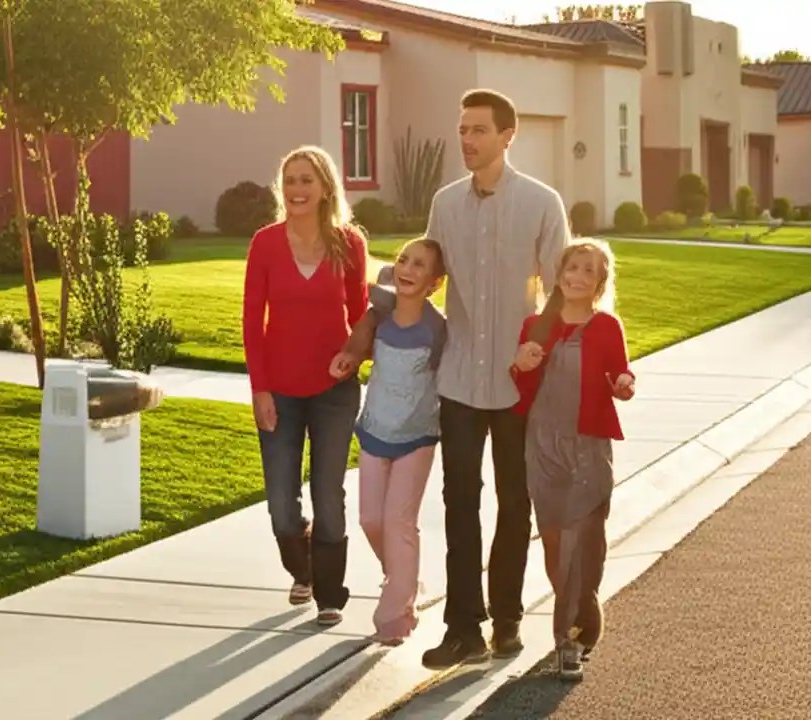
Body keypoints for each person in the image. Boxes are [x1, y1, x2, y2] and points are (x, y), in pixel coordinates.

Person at [335, 89, 572, 668]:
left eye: (478, 131)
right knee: (459, 502)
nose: (466, 140)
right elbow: (414, 273)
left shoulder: (543, 204)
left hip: (519, 385)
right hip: (459, 380)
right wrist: (364, 330)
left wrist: (536, 344)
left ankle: (508, 617)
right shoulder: (445, 204)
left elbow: (562, 288)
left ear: (507, 136)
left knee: (516, 505)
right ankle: (464, 626)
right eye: (462, 129)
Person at [242, 145, 369, 627]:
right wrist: (260, 389)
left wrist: (355, 356)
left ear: (324, 188)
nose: (297, 189)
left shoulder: (348, 243)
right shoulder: (266, 244)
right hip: (280, 390)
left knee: (328, 489)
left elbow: (359, 317)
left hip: (334, 391)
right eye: (290, 180)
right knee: (280, 503)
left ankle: (331, 593)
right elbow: (253, 323)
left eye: (306, 180)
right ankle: (303, 567)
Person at [510, 239, 635, 681]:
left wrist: (623, 382)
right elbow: (520, 392)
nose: (578, 276)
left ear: (600, 282)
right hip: (542, 445)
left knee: (585, 540)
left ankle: (568, 637)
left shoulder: (606, 327)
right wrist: (520, 366)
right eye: (572, 267)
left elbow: (621, 371)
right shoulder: (536, 325)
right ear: (559, 273)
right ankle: (580, 617)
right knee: (554, 543)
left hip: (588, 446)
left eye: (588, 271)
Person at [333, 238, 447, 645]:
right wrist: (347, 356)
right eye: (403, 260)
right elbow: (357, 345)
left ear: (434, 283)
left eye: (420, 265)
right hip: (375, 431)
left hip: (417, 437)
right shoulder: (379, 316)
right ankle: (403, 578)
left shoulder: (438, 329)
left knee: (399, 523)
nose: (408, 269)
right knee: (370, 520)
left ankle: (394, 614)